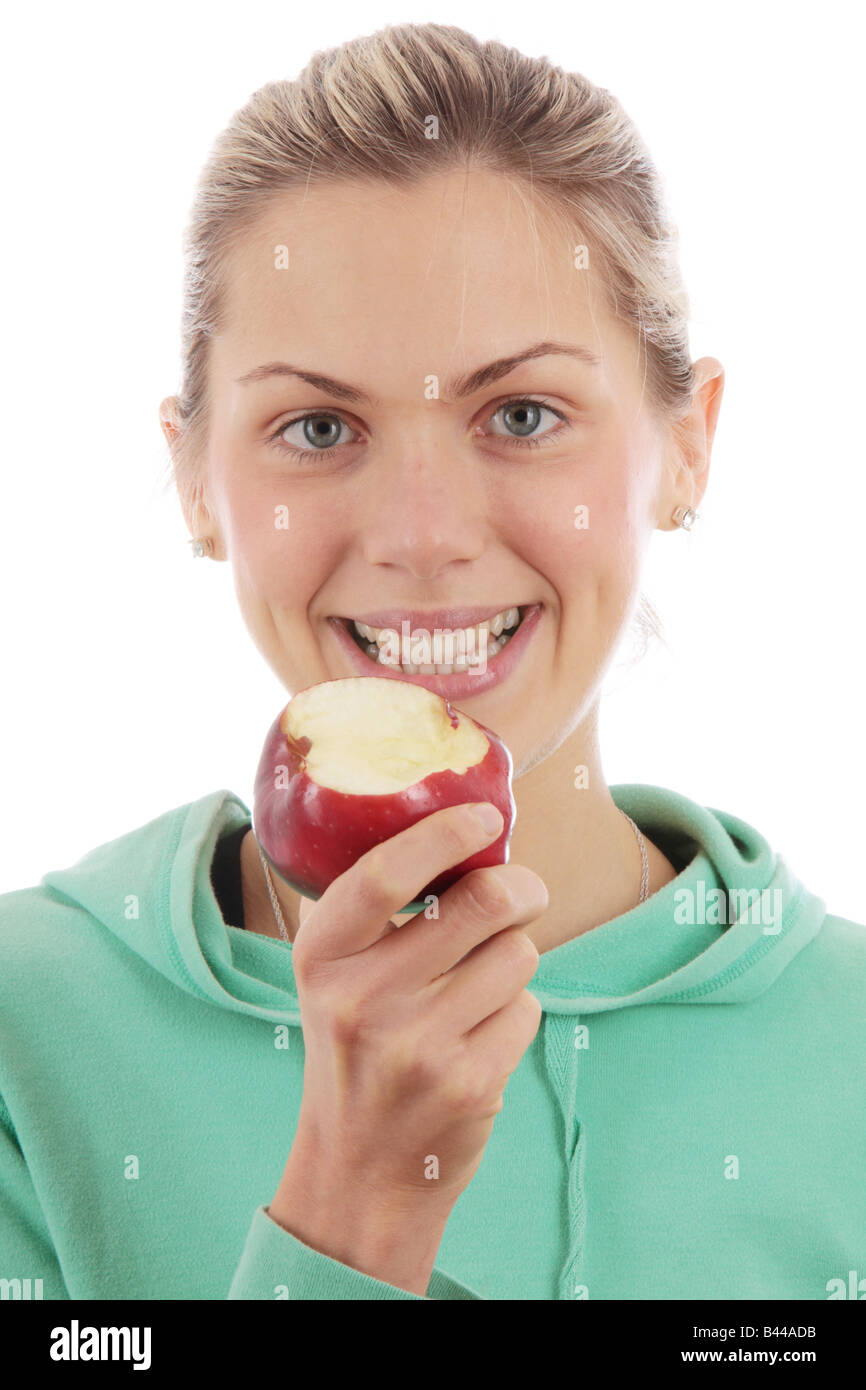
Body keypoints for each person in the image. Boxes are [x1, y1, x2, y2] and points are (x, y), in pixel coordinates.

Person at [1, 21, 863, 1303]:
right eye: (316, 425)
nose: (421, 538)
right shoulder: (30, 1032)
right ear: (193, 477)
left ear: (686, 444)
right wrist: (347, 1218)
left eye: (520, 416)